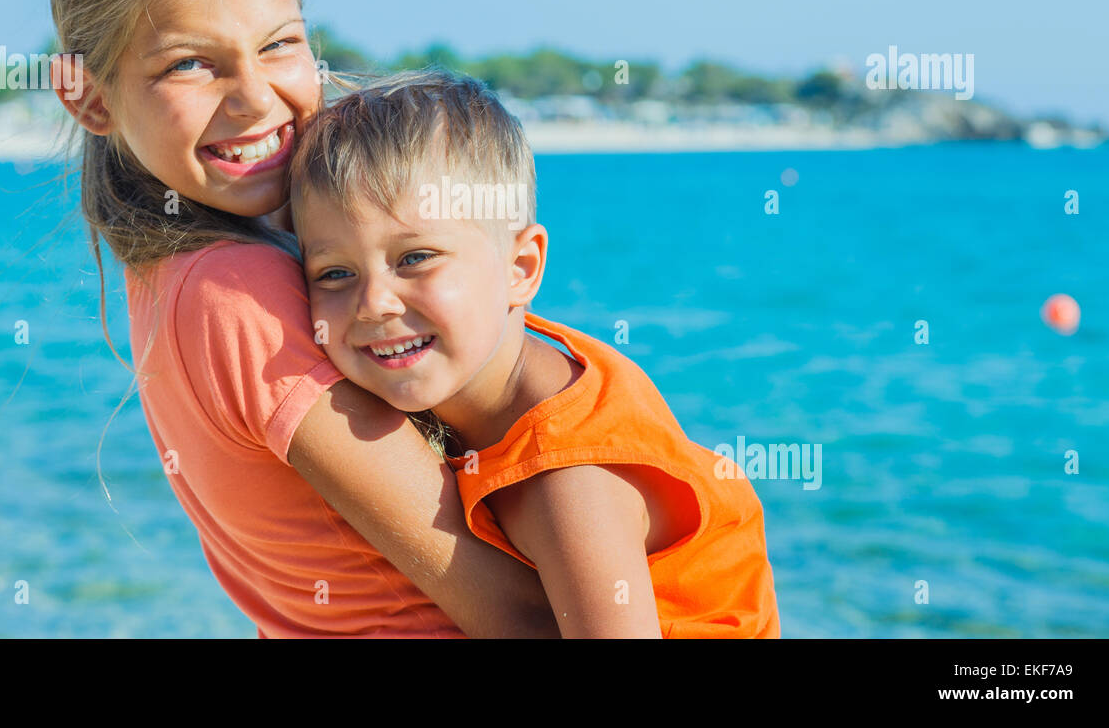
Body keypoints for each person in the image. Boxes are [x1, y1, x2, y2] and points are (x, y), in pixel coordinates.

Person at [47, 0, 557, 638]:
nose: (256, 98)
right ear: (87, 94)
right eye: (190, 63)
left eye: (279, 44)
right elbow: (519, 614)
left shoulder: (177, 274)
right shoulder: (237, 294)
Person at [288, 70, 782, 638]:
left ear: (521, 269)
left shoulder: (569, 485)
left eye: (416, 258)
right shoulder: (494, 355)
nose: (373, 303)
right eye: (335, 272)